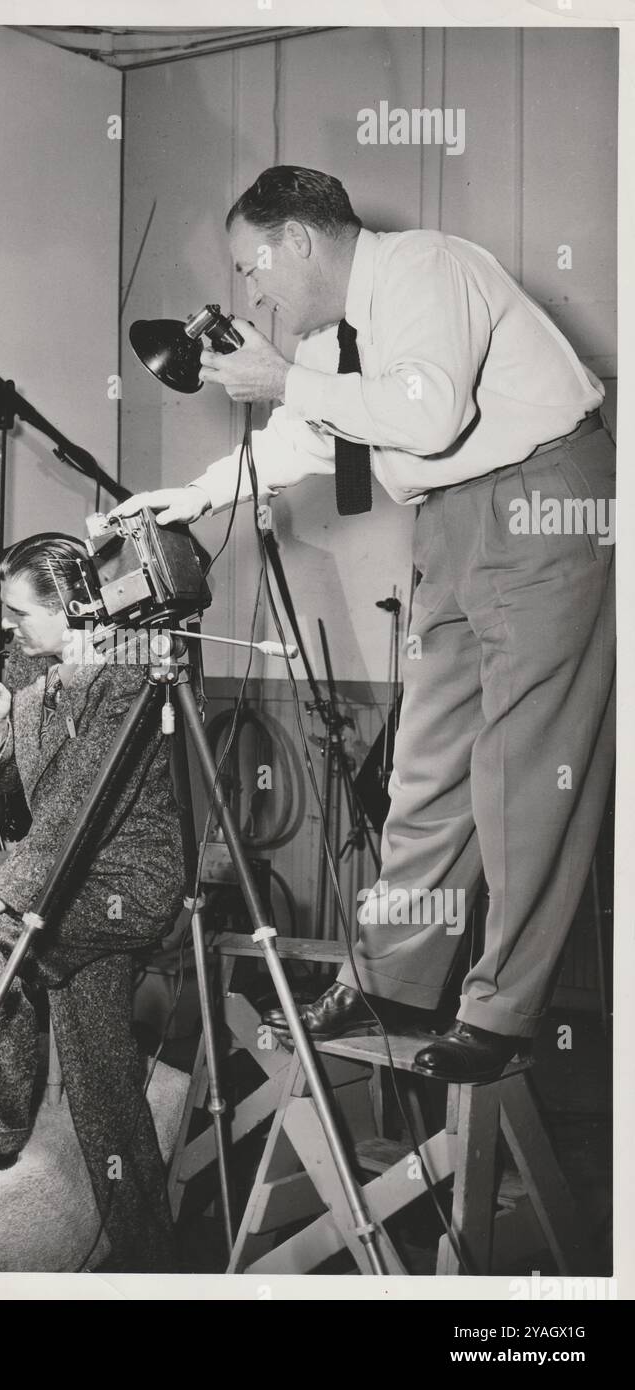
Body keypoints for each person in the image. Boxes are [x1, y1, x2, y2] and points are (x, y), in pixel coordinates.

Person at [112, 166, 615, 1084]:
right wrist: (186, 497)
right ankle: (392, 978)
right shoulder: (337, 339)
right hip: (454, 517)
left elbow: (427, 411)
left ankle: (505, 1009)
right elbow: (308, 438)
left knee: (524, 768)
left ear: (295, 240)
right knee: (427, 764)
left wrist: (274, 375)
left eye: (250, 266)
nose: (250, 290)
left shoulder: (426, 266)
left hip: (544, 497)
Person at [0, 532, 184, 1272]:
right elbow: (13, 800)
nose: (8, 627)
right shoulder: (28, 667)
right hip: (65, 873)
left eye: (19, 612)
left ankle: (146, 1252)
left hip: (125, 879)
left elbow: (76, 809)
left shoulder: (129, 680)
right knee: (101, 1065)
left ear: (74, 609)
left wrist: (6, 892)